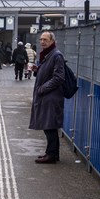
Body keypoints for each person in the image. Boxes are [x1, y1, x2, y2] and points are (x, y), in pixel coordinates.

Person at [29, 30, 67, 164]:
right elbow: (49, 72)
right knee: (48, 125)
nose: (42, 42)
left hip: (51, 96)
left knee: (50, 125)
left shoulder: (56, 55)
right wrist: (37, 70)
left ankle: (51, 155)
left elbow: (59, 77)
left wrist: (43, 88)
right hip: (47, 96)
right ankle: (51, 153)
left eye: (45, 39)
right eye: (41, 39)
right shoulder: (48, 54)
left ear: (52, 41)